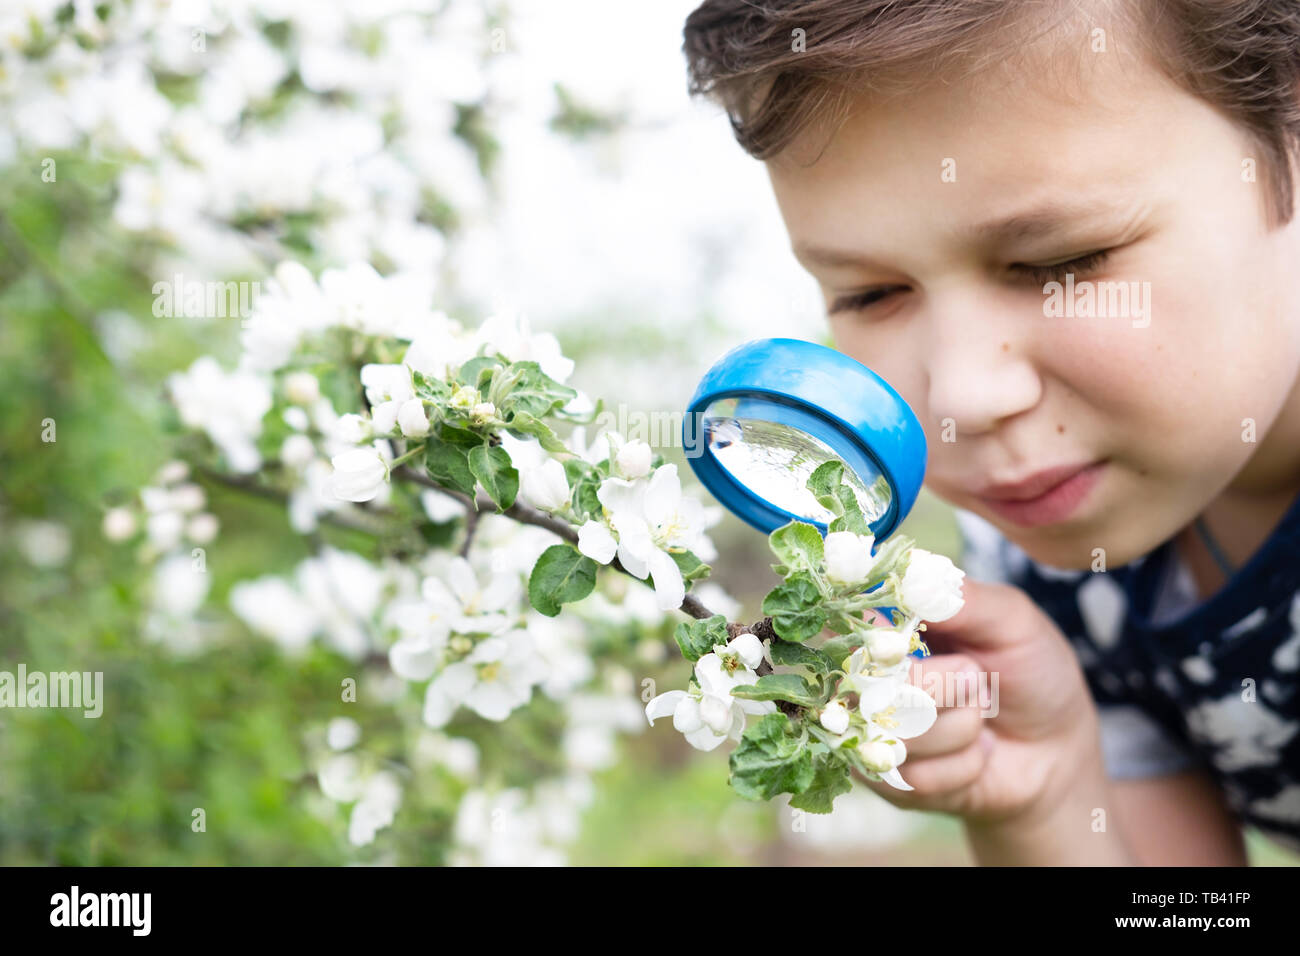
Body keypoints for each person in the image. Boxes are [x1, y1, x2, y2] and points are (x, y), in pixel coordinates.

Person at [682, 0, 1300, 864]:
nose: (963, 397)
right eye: (868, 294)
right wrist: (1043, 800)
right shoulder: (1046, 581)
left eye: (1061, 262)